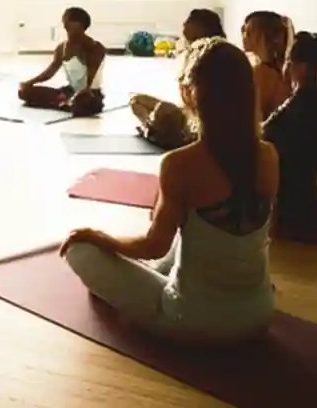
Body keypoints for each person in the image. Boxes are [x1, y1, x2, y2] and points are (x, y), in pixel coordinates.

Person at [60, 38, 279, 344]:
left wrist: (98, 237)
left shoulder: (179, 164)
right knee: (197, 232)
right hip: (259, 314)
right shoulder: (268, 154)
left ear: (188, 93)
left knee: (79, 250)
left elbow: (153, 247)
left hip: (190, 320)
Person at [264, 32, 317, 234]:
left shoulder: (298, 104)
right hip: (309, 195)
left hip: (288, 201)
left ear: (300, 67)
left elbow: (266, 135)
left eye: (288, 60)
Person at [131, 9, 228, 149]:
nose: (183, 25)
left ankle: (157, 131)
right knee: (136, 100)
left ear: (200, 27)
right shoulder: (191, 51)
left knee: (164, 109)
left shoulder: (212, 53)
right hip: (188, 111)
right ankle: (151, 128)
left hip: (201, 119)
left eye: (188, 22)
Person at [18, 7, 106, 116]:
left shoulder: (95, 47)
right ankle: (65, 102)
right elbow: (50, 71)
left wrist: (83, 93)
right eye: (67, 22)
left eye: (73, 22)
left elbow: (91, 76)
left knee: (83, 103)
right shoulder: (62, 48)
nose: (68, 24)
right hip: (69, 91)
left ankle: (64, 102)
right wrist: (30, 82)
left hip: (90, 93)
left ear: (82, 25)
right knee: (24, 92)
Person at [242, 11, 292, 120]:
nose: (244, 37)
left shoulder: (261, 73)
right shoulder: (284, 70)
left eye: (249, 32)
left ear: (263, 36)